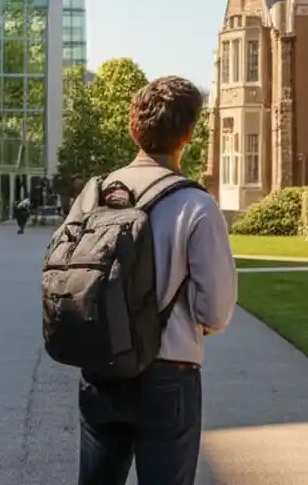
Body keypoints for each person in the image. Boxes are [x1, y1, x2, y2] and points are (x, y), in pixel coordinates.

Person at [75, 76, 237, 485]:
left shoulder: (92, 195)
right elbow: (215, 312)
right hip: (169, 373)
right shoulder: (196, 205)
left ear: (133, 128)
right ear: (188, 134)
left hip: (102, 367)